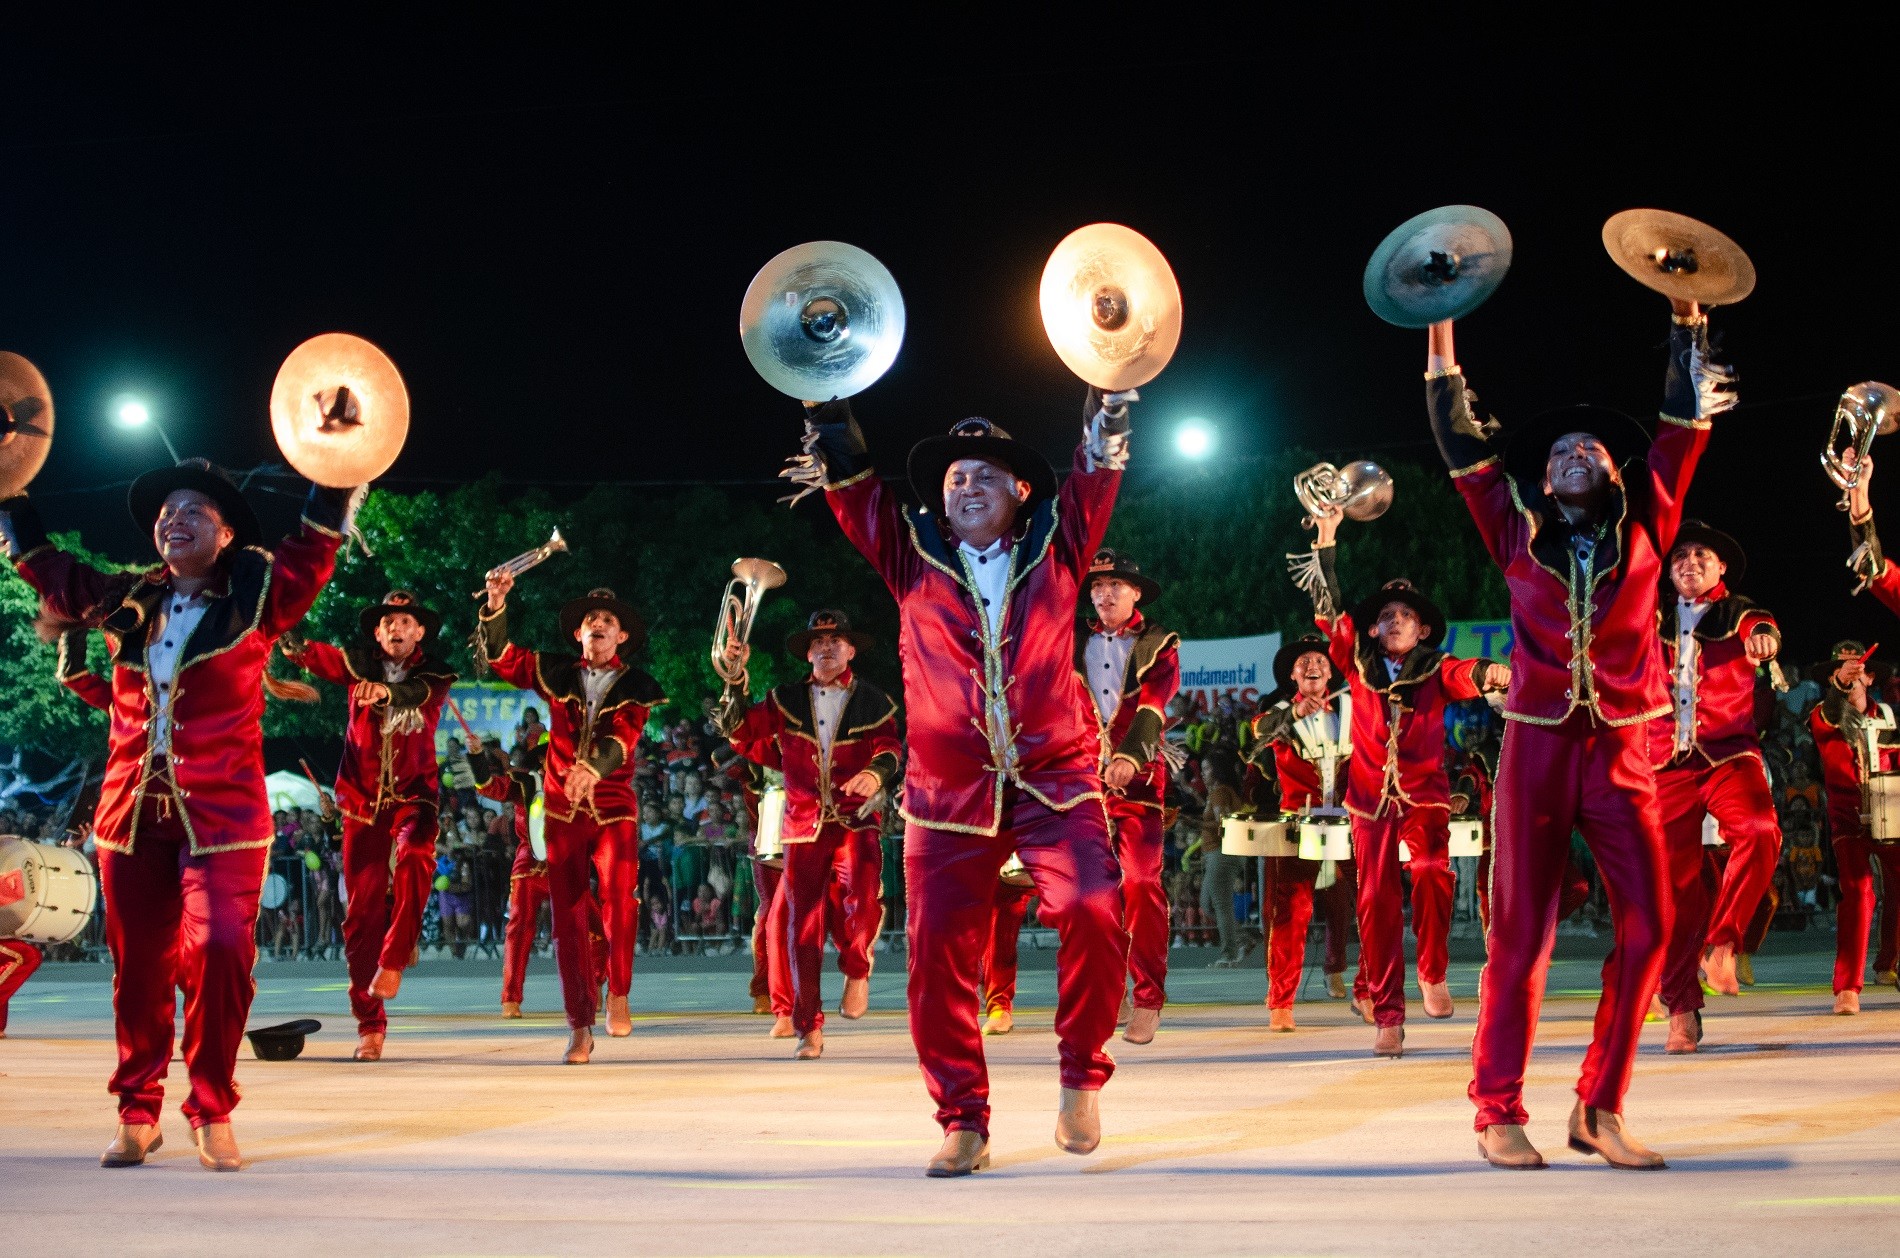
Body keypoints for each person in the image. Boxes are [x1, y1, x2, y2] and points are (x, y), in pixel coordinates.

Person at [783, 385, 1135, 1176]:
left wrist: (1110, 400)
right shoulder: (912, 557)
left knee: (1092, 908)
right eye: (952, 477)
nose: (966, 486)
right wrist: (825, 403)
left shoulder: (1059, 544)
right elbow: (856, 493)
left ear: (1019, 491)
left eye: (983, 474)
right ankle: (963, 1119)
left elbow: (1095, 475)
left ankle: (1081, 1071)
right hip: (946, 797)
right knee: (937, 958)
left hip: (1056, 779)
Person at [1424, 295, 1734, 1169]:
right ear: (1543, 475)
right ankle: (1497, 1110)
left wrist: (1686, 324)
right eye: (1558, 451)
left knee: (1653, 923)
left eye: (1589, 447)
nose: (1572, 454)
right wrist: (1440, 330)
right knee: (1521, 935)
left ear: (1612, 468)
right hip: (1535, 749)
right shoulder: (1514, 530)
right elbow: (1461, 448)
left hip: (1623, 748)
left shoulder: (1652, 526)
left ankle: (1599, 1106)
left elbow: (1682, 428)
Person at [2, 458, 354, 1170]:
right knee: (137, 971)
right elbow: (47, 569)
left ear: (226, 534)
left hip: (224, 817)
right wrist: (10, 488)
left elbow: (312, 552)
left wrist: (337, 471)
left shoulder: (255, 599)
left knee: (224, 950)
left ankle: (212, 1106)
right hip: (130, 815)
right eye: (167, 510)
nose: (175, 518)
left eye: (194, 510)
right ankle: (138, 1110)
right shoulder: (127, 599)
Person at [1291, 513, 1507, 1054]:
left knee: (1434, 869)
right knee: (1375, 899)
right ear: (1371, 627)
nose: (1394, 621)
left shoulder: (1436, 668)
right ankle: (1388, 1014)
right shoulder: (1354, 660)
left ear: (1423, 629)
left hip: (1424, 796)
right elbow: (1329, 607)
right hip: (1367, 800)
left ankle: (1433, 971)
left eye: (1405, 616)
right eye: (1385, 615)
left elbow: (1465, 674)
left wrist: (1490, 674)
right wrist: (1325, 537)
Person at [476, 581, 664, 1062]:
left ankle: (618, 991)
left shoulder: (636, 685)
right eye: (590, 621)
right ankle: (579, 1023)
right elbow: (502, 658)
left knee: (620, 898)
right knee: (567, 920)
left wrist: (592, 769)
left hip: (613, 805)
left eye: (608, 621)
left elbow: (625, 736)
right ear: (579, 633)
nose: (597, 625)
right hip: (562, 810)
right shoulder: (555, 672)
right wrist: (496, 606)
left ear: (621, 637)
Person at [715, 609, 901, 1060]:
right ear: (808, 652)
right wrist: (735, 678)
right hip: (802, 826)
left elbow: (892, 748)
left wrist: (875, 777)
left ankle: (857, 967)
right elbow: (739, 730)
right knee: (802, 929)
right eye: (819, 642)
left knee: (862, 900)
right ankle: (807, 1027)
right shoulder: (784, 699)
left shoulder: (875, 701)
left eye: (837, 640)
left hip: (856, 821)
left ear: (851, 649)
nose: (827, 647)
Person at [279, 591, 454, 1061]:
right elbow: (322, 658)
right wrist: (292, 641)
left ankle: (395, 957)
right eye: (388, 622)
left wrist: (387, 692)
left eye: (406, 621)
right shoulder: (356, 665)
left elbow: (416, 694)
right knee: (359, 917)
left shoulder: (435, 675)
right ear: (377, 633)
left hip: (415, 797)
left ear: (419, 631)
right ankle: (369, 1025)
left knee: (417, 854)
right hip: (361, 804)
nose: (396, 627)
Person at [1648, 522, 1782, 1053]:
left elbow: (1761, 625)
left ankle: (1724, 941)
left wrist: (1764, 640)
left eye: (1701, 554)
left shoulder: (1740, 613)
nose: (1689, 561)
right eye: (1679, 554)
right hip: (1665, 760)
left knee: (1759, 829)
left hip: (1728, 751)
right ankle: (1681, 1008)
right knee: (1675, 892)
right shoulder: (1649, 617)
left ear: (1721, 567)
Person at [1076, 549, 1181, 1044]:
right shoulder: (1068, 640)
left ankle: (1148, 996)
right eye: (1096, 586)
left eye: (1116, 584)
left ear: (1136, 591)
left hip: (1139, 783)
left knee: (1139, 883)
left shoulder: (1159, 643)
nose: (1104, 593)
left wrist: (1131, 757)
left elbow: (1155, 706)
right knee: (1091, 897)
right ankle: (1107, 986)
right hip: (1078, 785)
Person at [1246, 633, 1360, 1030]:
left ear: (1331, 671)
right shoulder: (1276, 713)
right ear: (1292, 675)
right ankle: (1281, 1001)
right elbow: (1259, 732)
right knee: (1290, 910)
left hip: (1351, 820)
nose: (1312, 665)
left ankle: (1369, 990)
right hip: (1298, 820)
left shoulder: (1351, 705)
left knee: (1373, 902)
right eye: (1303, 662)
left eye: (1320, 660)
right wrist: (1293, 716)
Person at [1807, 642, 1900, 1012]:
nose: (1849, 676)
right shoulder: (1823, 713)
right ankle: (1848, 986)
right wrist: (1839, 690)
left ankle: (1887, 963)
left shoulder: (1888, 715)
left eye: (1856, 670)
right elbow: (1832, 710)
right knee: (1859, 892)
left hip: (1889, 815)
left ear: (1871, 676)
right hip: (1848, 820)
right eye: (1841, 671)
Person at [979, 864, 1037, 1035]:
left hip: (1068, 851)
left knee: (1089, 905)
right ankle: (999, 1006)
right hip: (1013, 859)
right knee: (1001, 903)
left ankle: (1108, 1000)